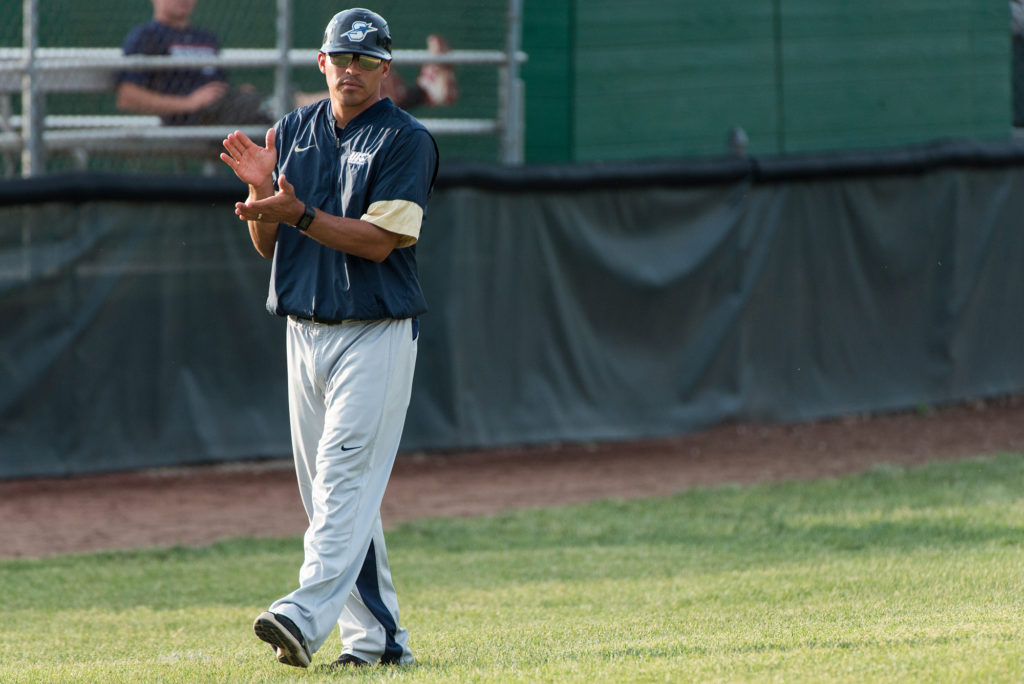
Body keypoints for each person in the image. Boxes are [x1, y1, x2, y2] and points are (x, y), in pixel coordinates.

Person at [219, 7, 437, 671]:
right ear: (322, 63)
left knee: (342, 483)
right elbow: (269, 243)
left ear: (385, 69)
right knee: (333, 498)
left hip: (375, 331)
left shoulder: (406, 139)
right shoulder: (293, 130)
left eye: (367, 60)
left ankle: (301, 614)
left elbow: (381, 242)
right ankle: (376, 643)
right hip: (303, 330)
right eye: (342, 57)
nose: (352, 70)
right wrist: (263, 195)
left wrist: (301, 214)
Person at [118, 0, 456, 126]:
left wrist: (236, 93)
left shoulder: (204, 37)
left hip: (232, 107)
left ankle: (418, 93)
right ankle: (416, 93)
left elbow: (217, 86)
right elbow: (127, 97)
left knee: (301, 112)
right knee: (298, 110)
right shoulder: (148, 36)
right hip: (196, 119)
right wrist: (189, 103)